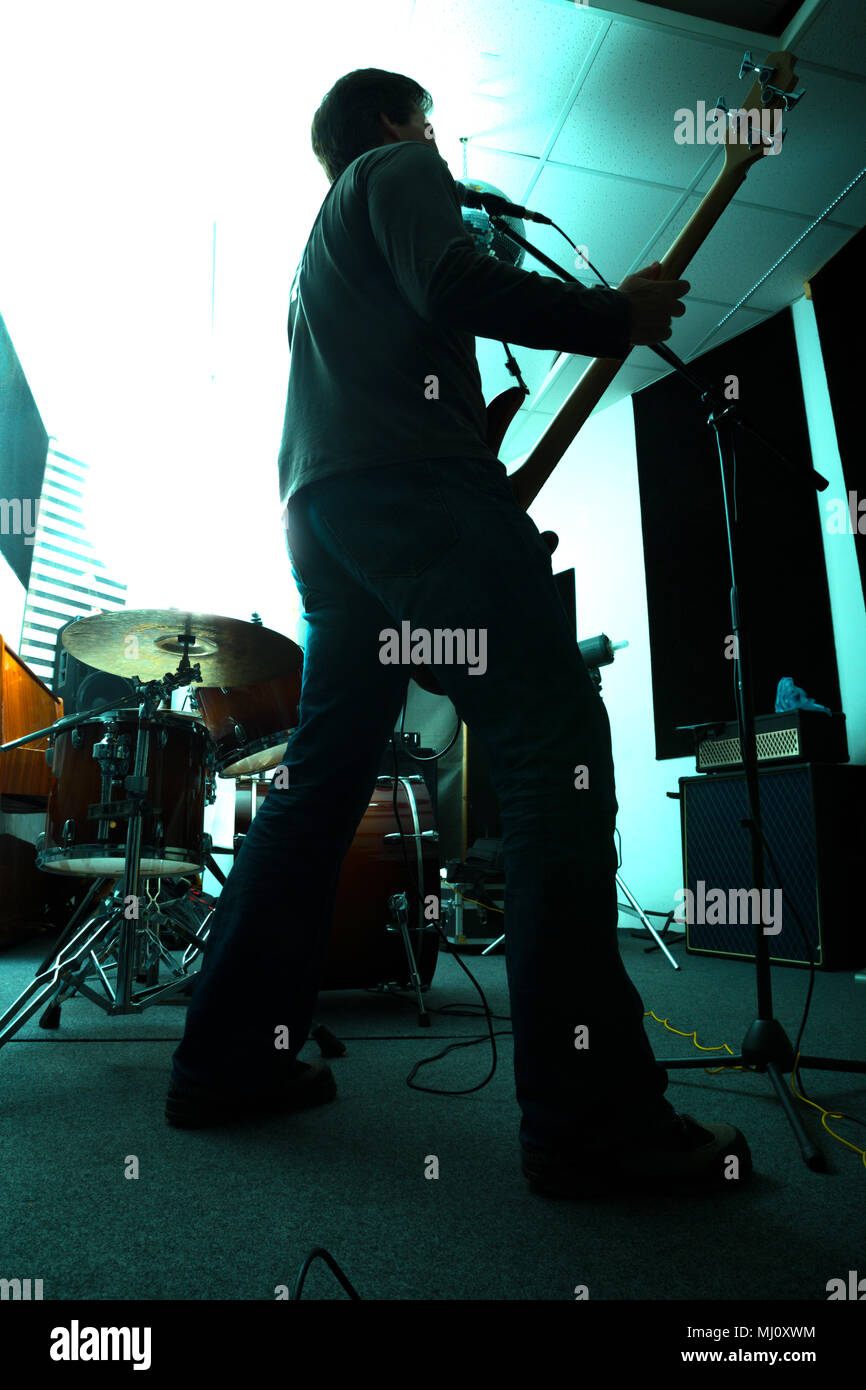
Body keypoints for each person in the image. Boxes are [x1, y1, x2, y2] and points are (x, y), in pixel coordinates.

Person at [167, 68, 752, 1198]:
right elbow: (453, 280)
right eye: (424, 116)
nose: (435, 135)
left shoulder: (313, 266)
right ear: (391, 123)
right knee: (549, 745)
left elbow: (413, 337)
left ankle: (228, 1057)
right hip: (409, 503)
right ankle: (592, 1120)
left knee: (320, 784)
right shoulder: (399, 168)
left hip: (328, 520)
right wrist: (608, 317)